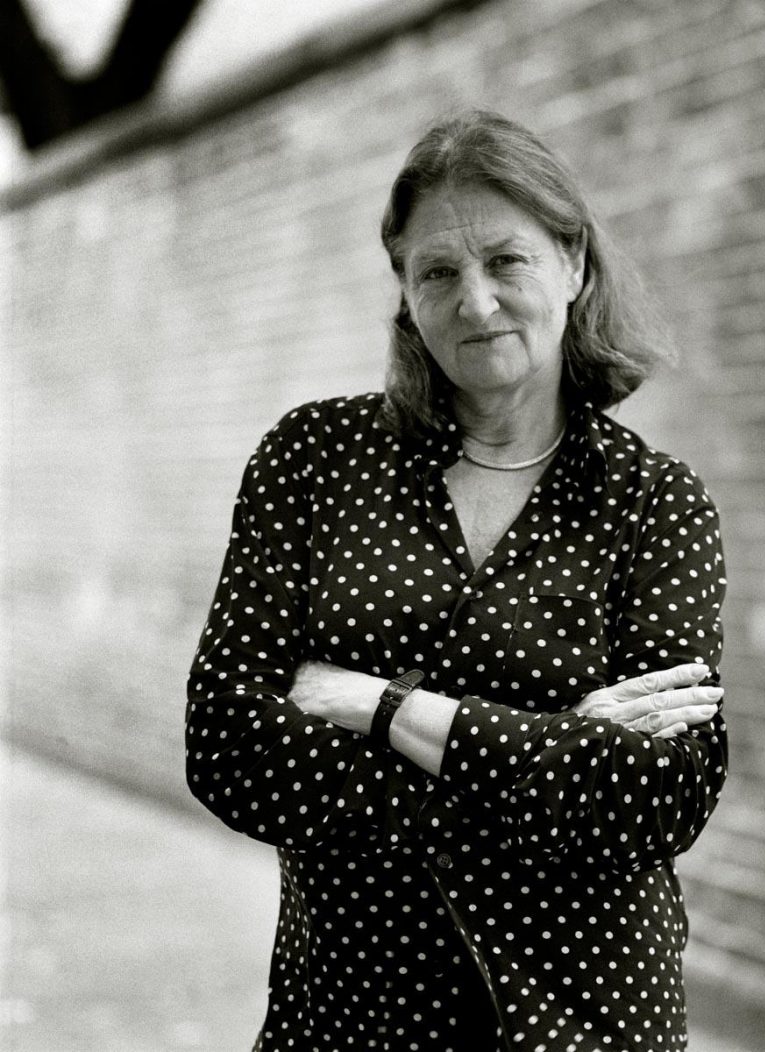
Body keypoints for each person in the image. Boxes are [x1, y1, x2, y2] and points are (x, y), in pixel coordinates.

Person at [186, 109, 728, 1052]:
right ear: (404, 290)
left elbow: (664, 795)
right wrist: (556, 750)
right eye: (438, 271)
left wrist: (378, 707)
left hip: (586, 1014)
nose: (475, 302)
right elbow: (227, 745)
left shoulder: (656, 503)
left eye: (506, 261)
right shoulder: (314, 459)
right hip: (354, 1007)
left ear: (574, 264)